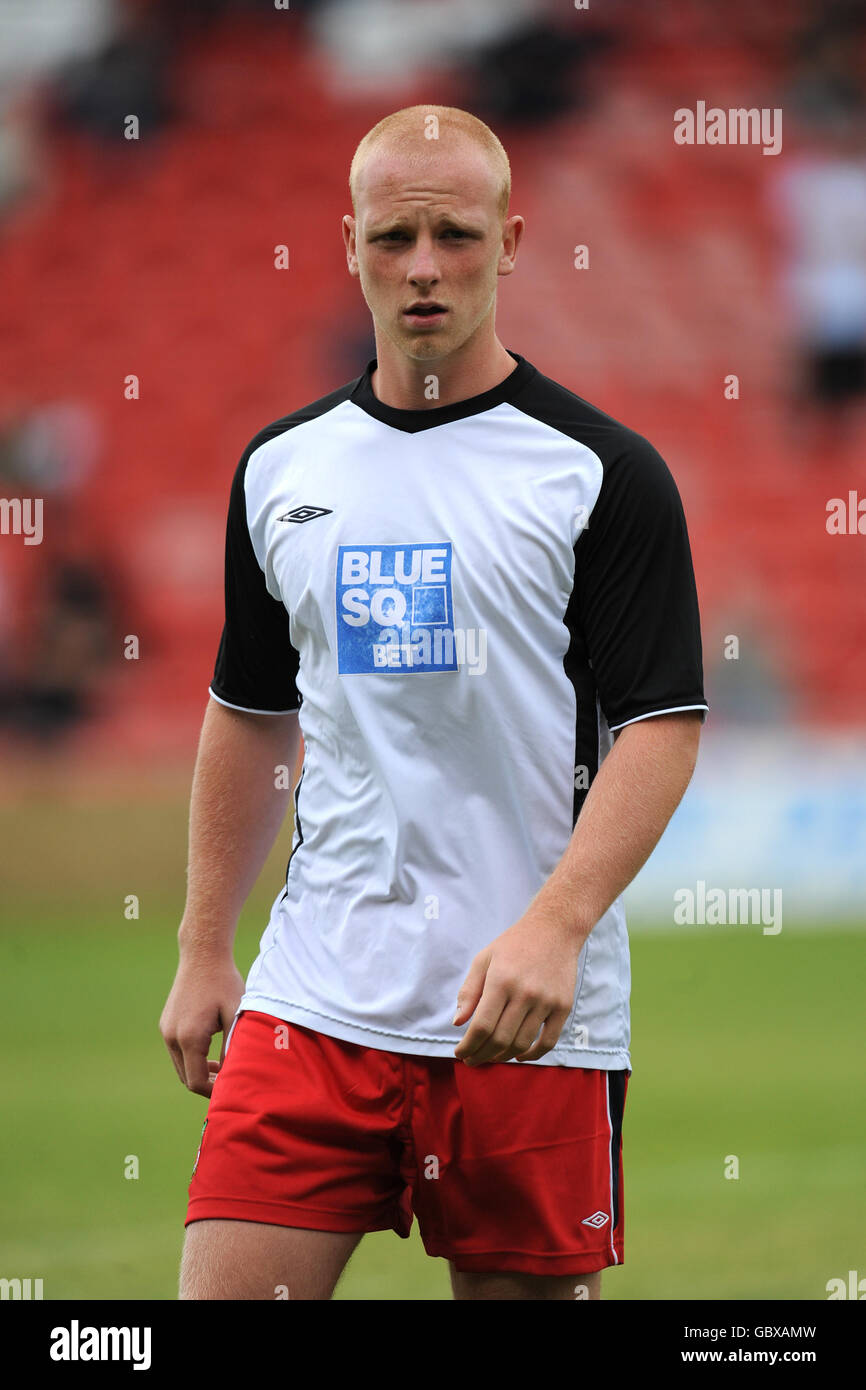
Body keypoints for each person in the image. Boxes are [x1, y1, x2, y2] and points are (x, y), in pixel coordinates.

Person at [160, 104, 708, 1302]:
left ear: (510, 242)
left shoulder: (600, 473)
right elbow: (250, 710)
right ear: (346, 240)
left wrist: (557, 925)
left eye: (454, 235)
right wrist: (206, 942)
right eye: (393, 236)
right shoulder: (279, 469)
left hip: (523, 1015)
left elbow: (660, 723)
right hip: (316, 996)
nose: (422, 267)